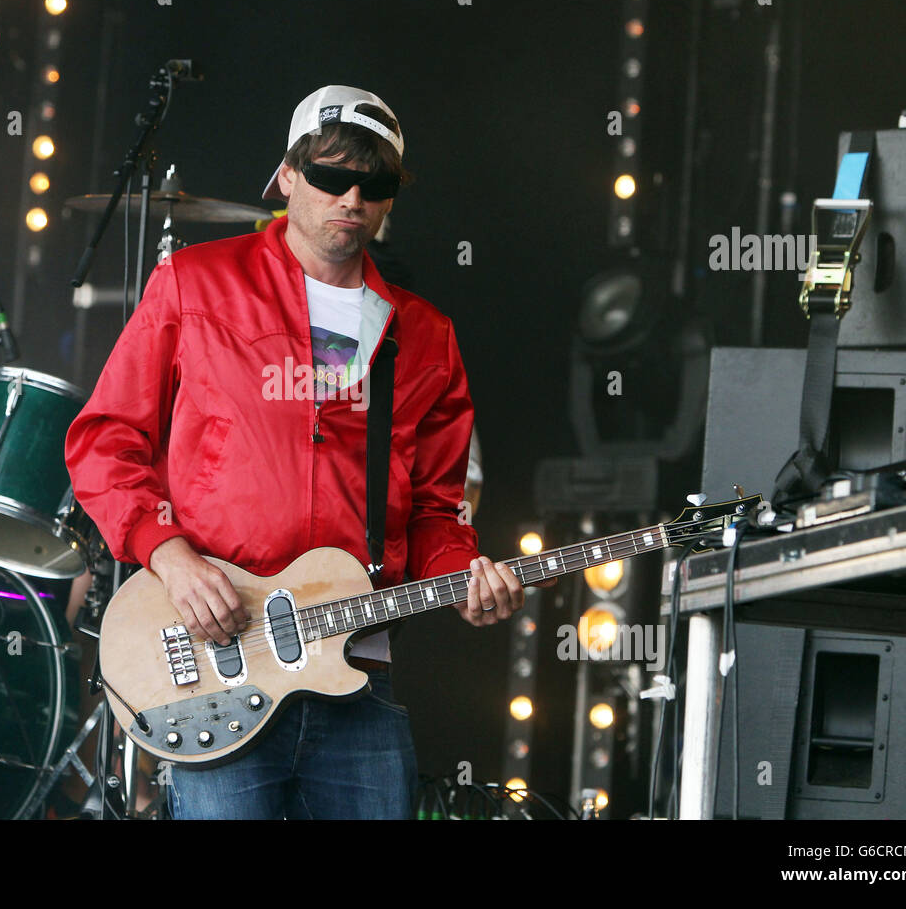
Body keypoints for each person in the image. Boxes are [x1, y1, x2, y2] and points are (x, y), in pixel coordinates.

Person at [64, 85, 547, 819]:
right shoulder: (196, 283)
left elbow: (433, 515)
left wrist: (468, 577)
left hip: (357, 671)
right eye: (330, 175)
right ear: (287, 176)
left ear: (390, 201)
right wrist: (169, 554)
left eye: (374, 184)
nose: (351, 196)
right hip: (215, 655)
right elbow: (107, 439)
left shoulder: (423, 334)